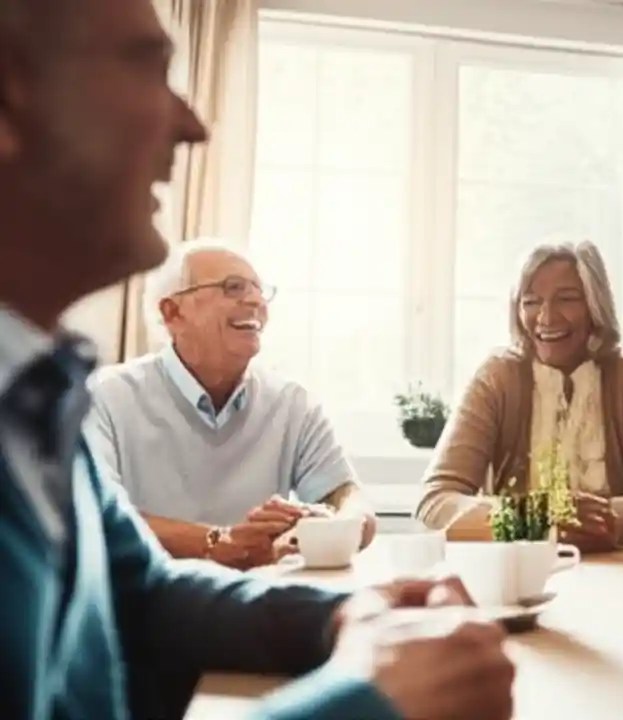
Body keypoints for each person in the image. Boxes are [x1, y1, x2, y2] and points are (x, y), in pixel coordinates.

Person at [0, 1, 512, 719]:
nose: (193, 124)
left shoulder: (42, 389)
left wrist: (340, 615)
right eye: (145, 67)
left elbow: (142, 591)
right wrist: (368, 701)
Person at [417, 240, 623, 551]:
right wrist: (536, 519)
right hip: (517, 568)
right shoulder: (496, 377)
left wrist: (603, 519)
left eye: (567, 299)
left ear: (596, 305)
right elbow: (435, 501)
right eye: (531, 301)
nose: (546, 317)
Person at [86, 240, 377, 570]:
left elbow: (351, 499)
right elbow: (93, 515)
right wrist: (218, 543)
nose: (255, 301)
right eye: (233, 288)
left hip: (258, 606)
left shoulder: (293, 404)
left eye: (259, 290)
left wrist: (329, 523)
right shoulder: (104, 397)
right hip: (144, 609)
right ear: (173, 312)